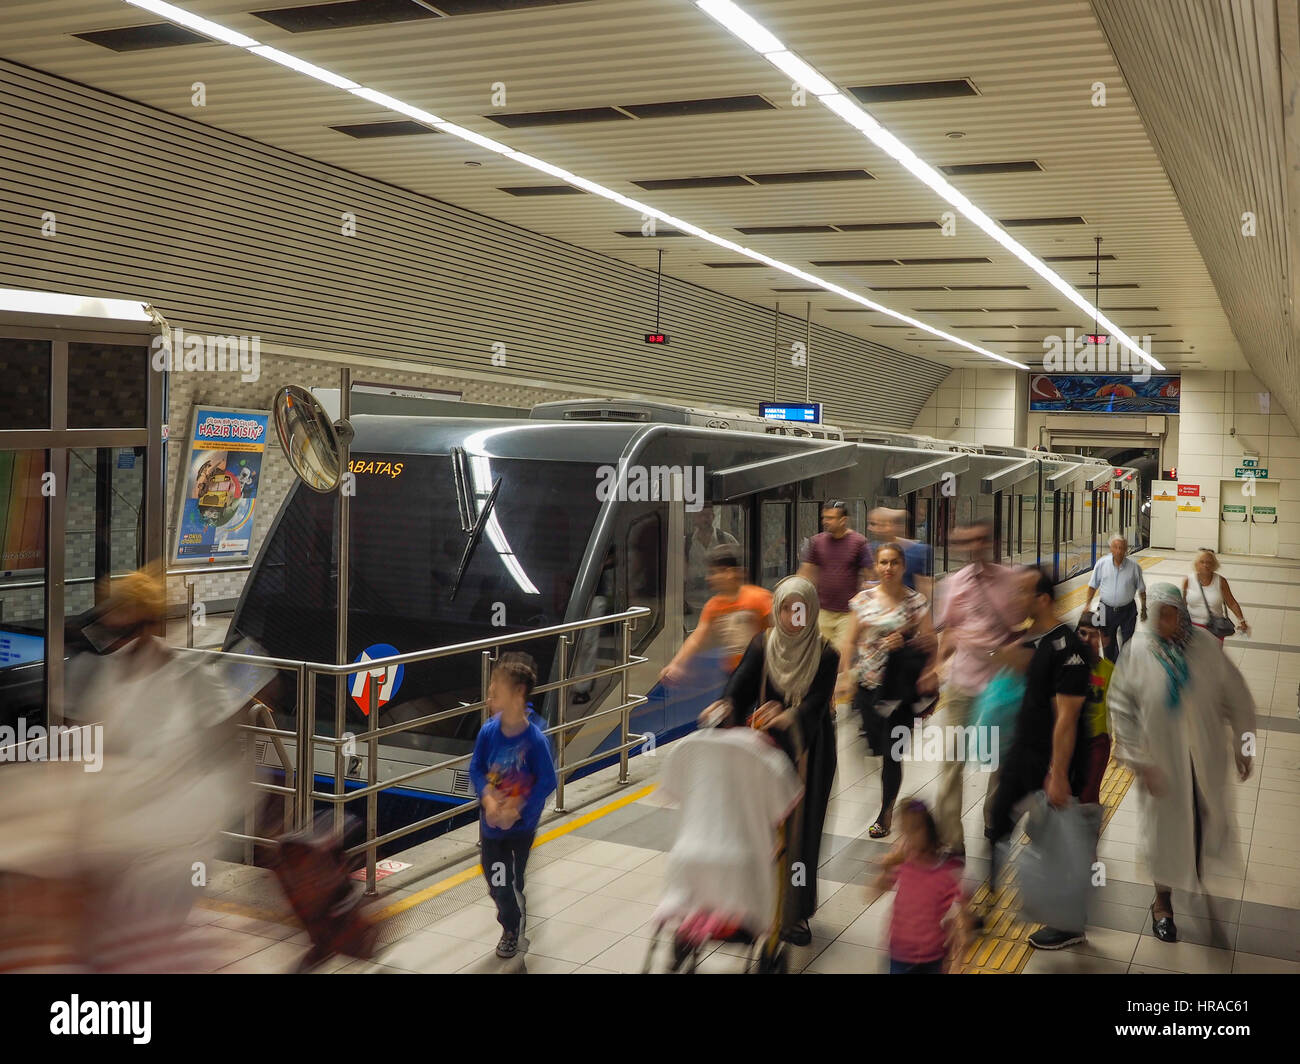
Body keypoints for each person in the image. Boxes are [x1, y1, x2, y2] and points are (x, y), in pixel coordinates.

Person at [1107, 584, 1256, 944]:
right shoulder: (1138, 651)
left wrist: (1243, 745)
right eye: (1156, 614)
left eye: (1168, 614)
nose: (1161, 621)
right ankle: (1162, 905)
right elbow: (1120, 707)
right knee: (1162, 837)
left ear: (1181, 614)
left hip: (1204, 761)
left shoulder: (1205, 648)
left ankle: (1199, 880)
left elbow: (1238, 698)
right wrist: (1137, 759)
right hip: (1160, 766)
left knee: (1204, 827)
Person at [718, 575, 838, 946]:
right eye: (787, 608)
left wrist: (791, 716)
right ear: (778, 609)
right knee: (755, 832)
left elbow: (817, 705)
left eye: (801, 609)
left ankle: (794, 913)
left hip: (810, 754)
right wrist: (725, 708)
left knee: (801, 838)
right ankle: (747, 909)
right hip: (766, 751)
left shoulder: (827, 654)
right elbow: (737, 691)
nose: (794, 617)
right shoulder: (762, 645)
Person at [981, 567, 1092, 950]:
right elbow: (1016, 660)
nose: (1015, 598)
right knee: (998, 821)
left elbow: (1067, 717)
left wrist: (1059, 773)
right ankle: (989, 900)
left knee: (1055, 841)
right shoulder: (1040, 641)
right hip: (1023, 752)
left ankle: (1068, 924)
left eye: (1023, 592)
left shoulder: (1070, 649)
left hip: (1051, 762)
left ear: (1043, 599)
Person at [933, 519, 1022, 854]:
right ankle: (952, 841)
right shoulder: (953, 584)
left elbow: (1019, 629)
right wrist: (936, 667)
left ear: (991, 541)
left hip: (999, 687)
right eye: (967, 541)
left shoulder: (1010, 579)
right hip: (961, 686)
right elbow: (948, 629)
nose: (974, 546)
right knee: (952, 763)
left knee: (997, 761)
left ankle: (993, 818)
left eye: (980, 539)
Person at [837, 542, 938, 838]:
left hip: (899, 692)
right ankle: (884, 798)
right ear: (876, 566)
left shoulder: (916, 602)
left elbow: (932, 643)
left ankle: (885, 814)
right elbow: (850, 641)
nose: (888, 568)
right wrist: (845, 675)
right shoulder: (863, 601)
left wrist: (909, 647)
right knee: (874, 747)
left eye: (894, 562)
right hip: (869, 686)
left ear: (903, 567)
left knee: (893, 756)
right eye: (883, 562)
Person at [468, 652, 558, 960]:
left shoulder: (534, 740)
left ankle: (513, 921)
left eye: (497, 688)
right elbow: (476, 768)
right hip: (491, 828)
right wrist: (489, 799)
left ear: (518, 693)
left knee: (513, 880)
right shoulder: (488, 732)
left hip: (521, 829)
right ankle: (510, 920)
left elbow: (547, 781)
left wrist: (518, 809)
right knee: (497, 882)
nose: (490, 694)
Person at [873, 799, 970, 973]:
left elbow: (962, 906)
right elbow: (874, 892)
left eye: (915, 829)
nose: (908, 838)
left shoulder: (946, 870)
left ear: (930, 831)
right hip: (900, 951)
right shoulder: (902, 862)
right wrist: (886, 868)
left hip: (933, 954)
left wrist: (958, 943)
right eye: (904, 831)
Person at [661, 545, 771, 685]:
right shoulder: (714, 606)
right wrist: (676, 664)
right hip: (734, 673)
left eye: (713, 573)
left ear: (729, 573)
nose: (708, 578)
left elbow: (780, 631)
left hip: (763, 669)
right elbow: (697, 639)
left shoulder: (759, 599)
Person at [796, 500, 874, 651]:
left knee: (839, 656)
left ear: (843, 520)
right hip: (822, 611)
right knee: (820, 654)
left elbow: (870, 577)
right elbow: (806, 573)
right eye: (824, 518)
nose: (825, 522)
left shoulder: (859, 542)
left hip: (848, 613)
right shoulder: (816, 542)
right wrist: (793, 593)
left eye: (830, 518)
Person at [1082, 534, 1148, 661]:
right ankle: (1111, 668)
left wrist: (1144, 608)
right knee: (1107, 643)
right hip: (1104, 608)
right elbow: (1092, 586)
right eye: (1116, 547)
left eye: (1121, 548)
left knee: (1127, 644)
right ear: (1111, 548)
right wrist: (1087, 604)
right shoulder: (1101, 564)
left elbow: (1142, 590)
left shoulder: (1134, 568)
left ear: (1126, 549)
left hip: (1128, 610)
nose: (1118, 551)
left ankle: (1122, 667)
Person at [1075, 613, 1115, 806]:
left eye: (1093, 634)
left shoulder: (1108, 669)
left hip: (1097, 742)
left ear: (1100, 638)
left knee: (1088, 795)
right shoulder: (1068, 665)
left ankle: (1088, 831)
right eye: (1083, 633)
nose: (1088, 639)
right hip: (1071, 739)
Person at [1181, 549, 1249, 642]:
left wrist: (1242, 621)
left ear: (1214, 565)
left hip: (1215, 628)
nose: (1205, 565)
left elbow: (1231, 603)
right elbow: (1182, 604)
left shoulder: (1221, 581)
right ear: (1196, 564)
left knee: (1212, 655)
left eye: (1209, 562)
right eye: (1202, 562)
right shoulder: (1188, 580)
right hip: (1192, 628)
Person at [868, 507, 933, 602]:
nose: (869, 528)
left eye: (874, 524)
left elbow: (925, 589)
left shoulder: (919, 551)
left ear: (889, 525)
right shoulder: (872, 548)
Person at [684, 506, 739, 616]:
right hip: (693, 602)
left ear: (713, 517)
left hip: (722, 600)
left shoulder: (726, 538)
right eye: (701, 515)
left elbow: (738, 566)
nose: (705, 519)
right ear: (694, 518)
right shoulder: (686, 542)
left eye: (708, 515)